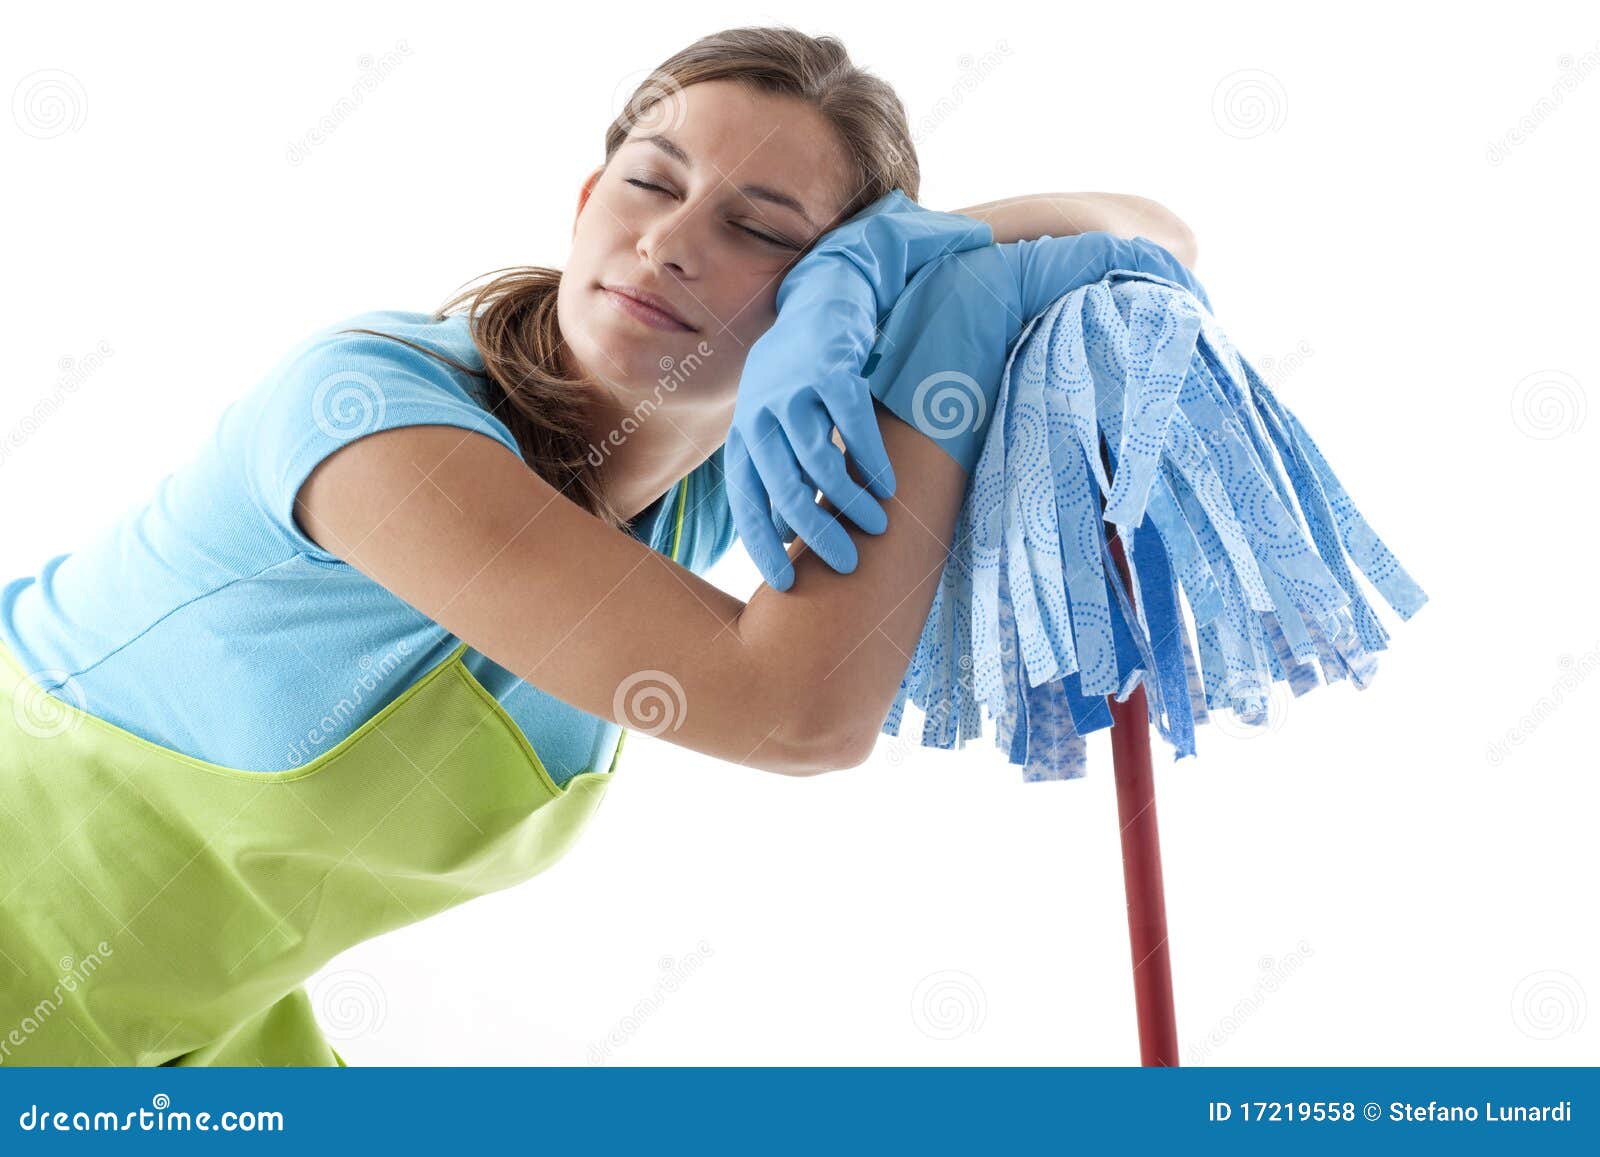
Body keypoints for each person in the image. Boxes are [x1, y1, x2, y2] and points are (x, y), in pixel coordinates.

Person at [0, 24, 1198, 1066]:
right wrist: (947, 317)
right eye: (649, 183)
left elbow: (1158, 238)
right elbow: (794, 710)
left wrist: (899, 260)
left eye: (760, 229)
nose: (669, 243)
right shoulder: (366, 414)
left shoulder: (700, 469)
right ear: (585, 203)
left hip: (186, 1024)